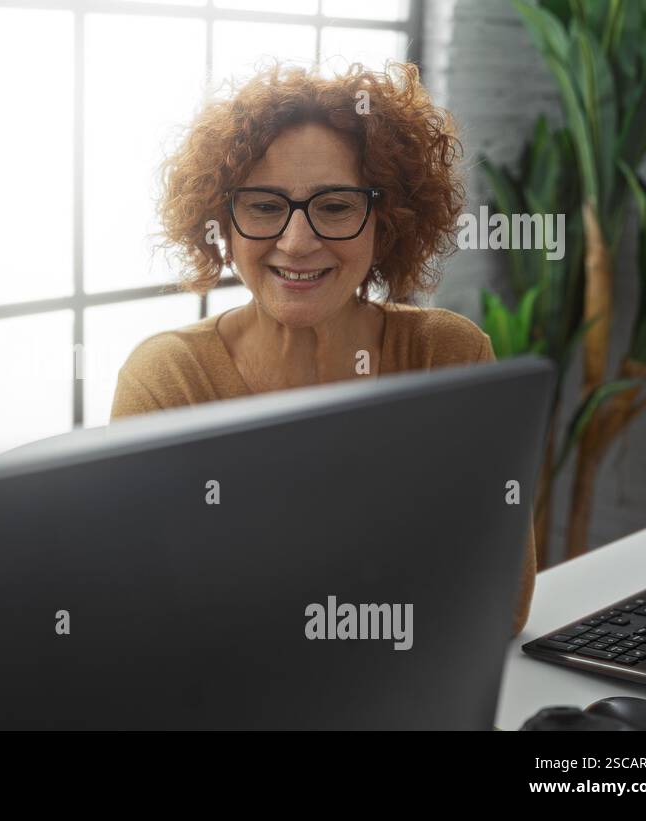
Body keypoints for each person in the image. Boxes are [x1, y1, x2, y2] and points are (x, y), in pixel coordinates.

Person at [111, 62, 535, 636]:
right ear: (223, 224)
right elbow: (140, 614)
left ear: (385, 224)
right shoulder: (169, 378)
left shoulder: (447, 355)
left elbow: (501, 602)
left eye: (335, 207)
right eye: (264, 206)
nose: (296, 242)